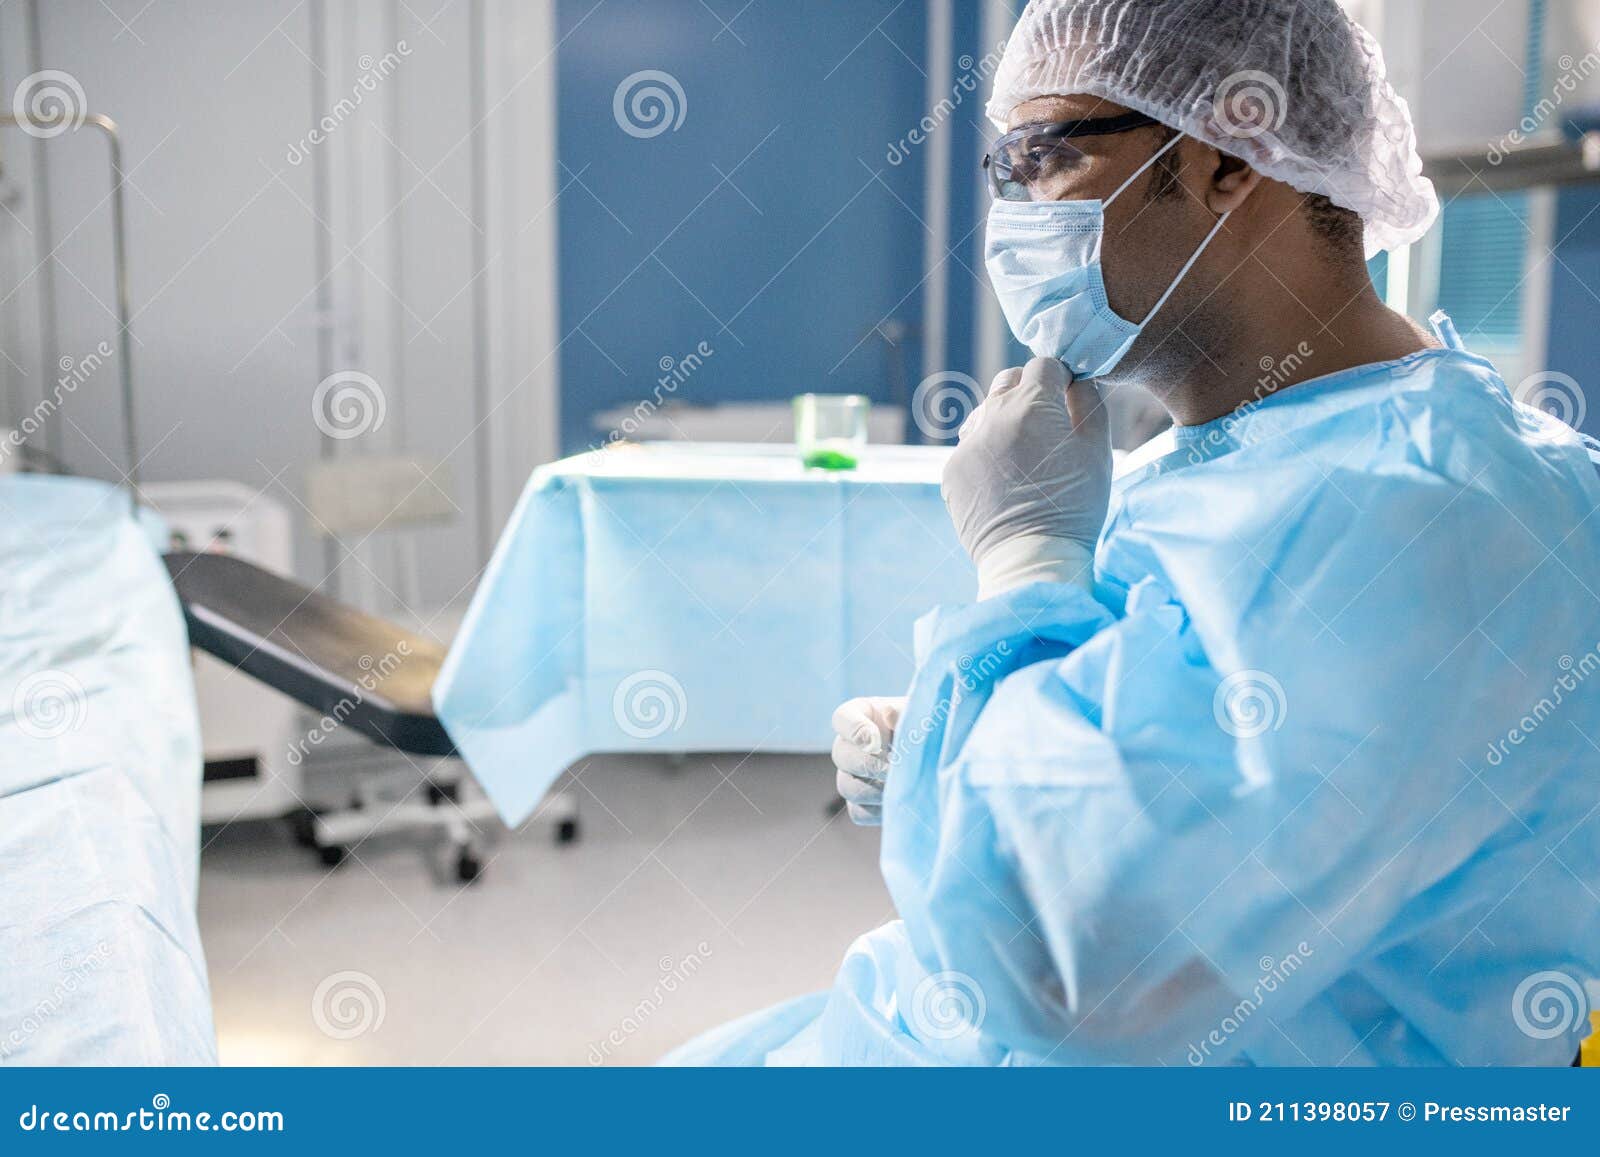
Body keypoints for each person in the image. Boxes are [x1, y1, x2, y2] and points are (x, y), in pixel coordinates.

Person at [668, 0, 1600, 1065]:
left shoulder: (1424, 513)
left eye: (1046, 156)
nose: (1015, 214)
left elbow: (1063, 972)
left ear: (1228, 157)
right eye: (1004, 170)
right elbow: (1170, 735)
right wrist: (964, 729)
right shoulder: (1254, 446)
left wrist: (1022, 566)